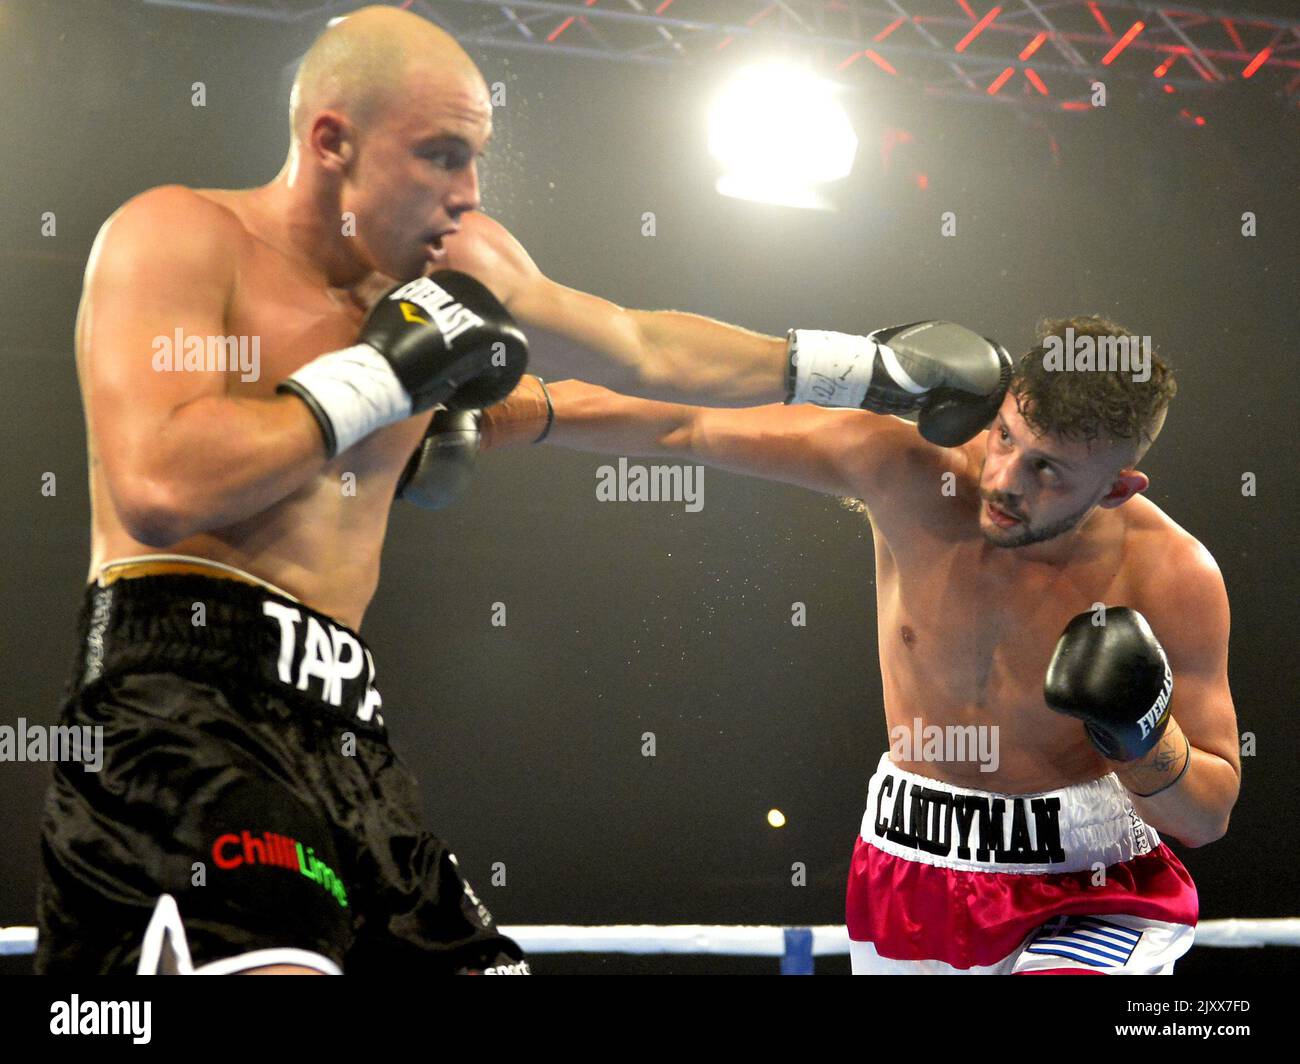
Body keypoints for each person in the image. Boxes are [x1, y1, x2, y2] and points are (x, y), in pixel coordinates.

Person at [36, 4, 1006, 974]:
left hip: (345, 723)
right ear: (332, 140)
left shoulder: (460, 266)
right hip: (178, 700)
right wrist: (383, 376)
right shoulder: (181, 235)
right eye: (440, 155)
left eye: (477, 158)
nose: (466, 193)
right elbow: (162, 483)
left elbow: (644, 347)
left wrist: (870, 368)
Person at [468, 314, 1240, 974]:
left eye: (1048, 471)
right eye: (1007, 436)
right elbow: (688, 422)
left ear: (1116, 487)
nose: (1005, 478)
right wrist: (517, 410)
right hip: (909, 861)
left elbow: (1207, 816)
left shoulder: (1171, 572)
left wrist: (1144, 736)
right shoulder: (907, 467)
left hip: (1088, 881)